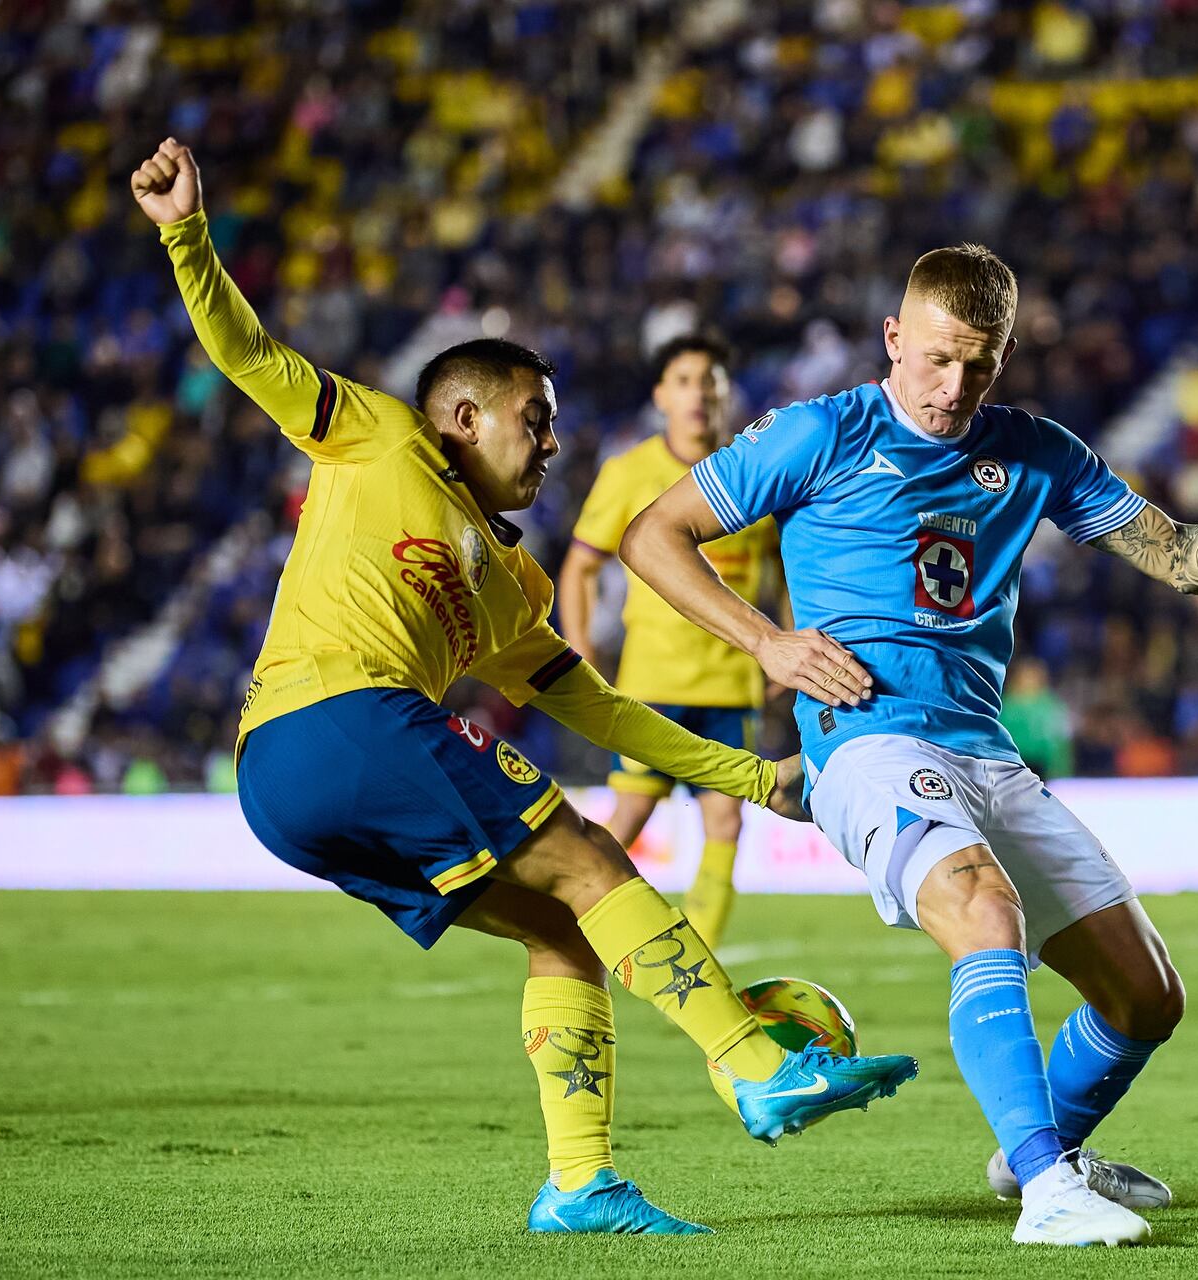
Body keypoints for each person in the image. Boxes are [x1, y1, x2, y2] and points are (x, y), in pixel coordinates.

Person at [130, 138, 915, 1237]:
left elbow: (602, 708)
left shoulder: (512, 584)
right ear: (462, 418)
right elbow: (245, 348)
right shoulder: (379, 437)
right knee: (594, 856)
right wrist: (184, 232)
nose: (552, 441)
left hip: (296, 780)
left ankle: (580, 1181)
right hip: (333, 718)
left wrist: (758, 776)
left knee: (565, 925)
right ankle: (750, 1060)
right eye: (533, 418)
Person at [618, 243, 1198, 1246]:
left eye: (978, 364)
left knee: (1146, 994)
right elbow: (652, 534)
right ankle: (1045, 1187)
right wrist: (767, 641)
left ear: (1006, 355)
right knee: (985, 908)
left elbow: (1186, 558)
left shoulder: (1034, 450)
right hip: (867, 739)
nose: (952, 386)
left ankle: (1043, 1145)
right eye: (935, 358)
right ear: (894, 338)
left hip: (983, 749)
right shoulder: (820, 433)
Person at [558, 333, 781, 946]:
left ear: (726, 393)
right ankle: (567, 932)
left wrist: (784, 652)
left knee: (726, 821)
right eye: (684, 380)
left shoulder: (754, 470)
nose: (698, 394)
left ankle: (699, 959)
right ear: (661, 395)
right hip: (652, 682)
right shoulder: (629, 472)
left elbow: (781, 574)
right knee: (629, 816)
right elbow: (578, 567)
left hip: (731, 683)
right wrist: (580, 652)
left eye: (710, 380)